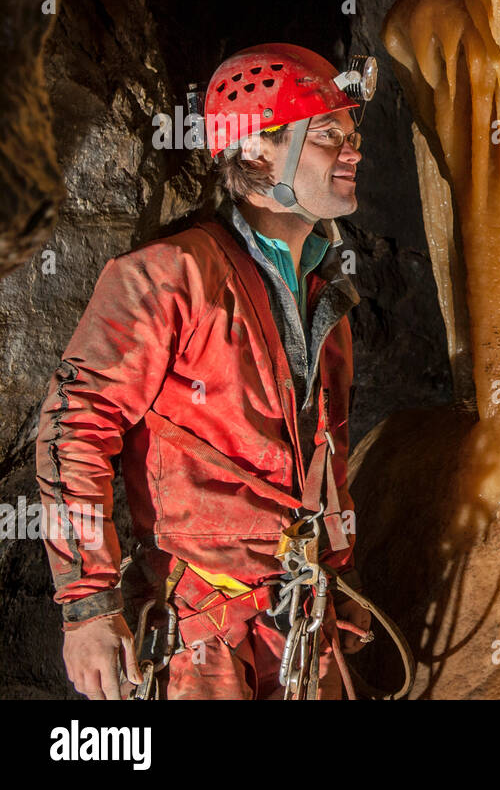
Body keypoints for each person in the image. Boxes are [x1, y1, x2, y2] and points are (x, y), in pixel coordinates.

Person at [36, 43, 374, 699]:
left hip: (304, 625)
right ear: (254, 149)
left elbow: (325, 460)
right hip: (200, 636)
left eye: (351, 134)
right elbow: (72, 428)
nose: (353, 150)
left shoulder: (327, 297)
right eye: (329, 133)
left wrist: (341, 577)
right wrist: (88, 607)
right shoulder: (168, 278)